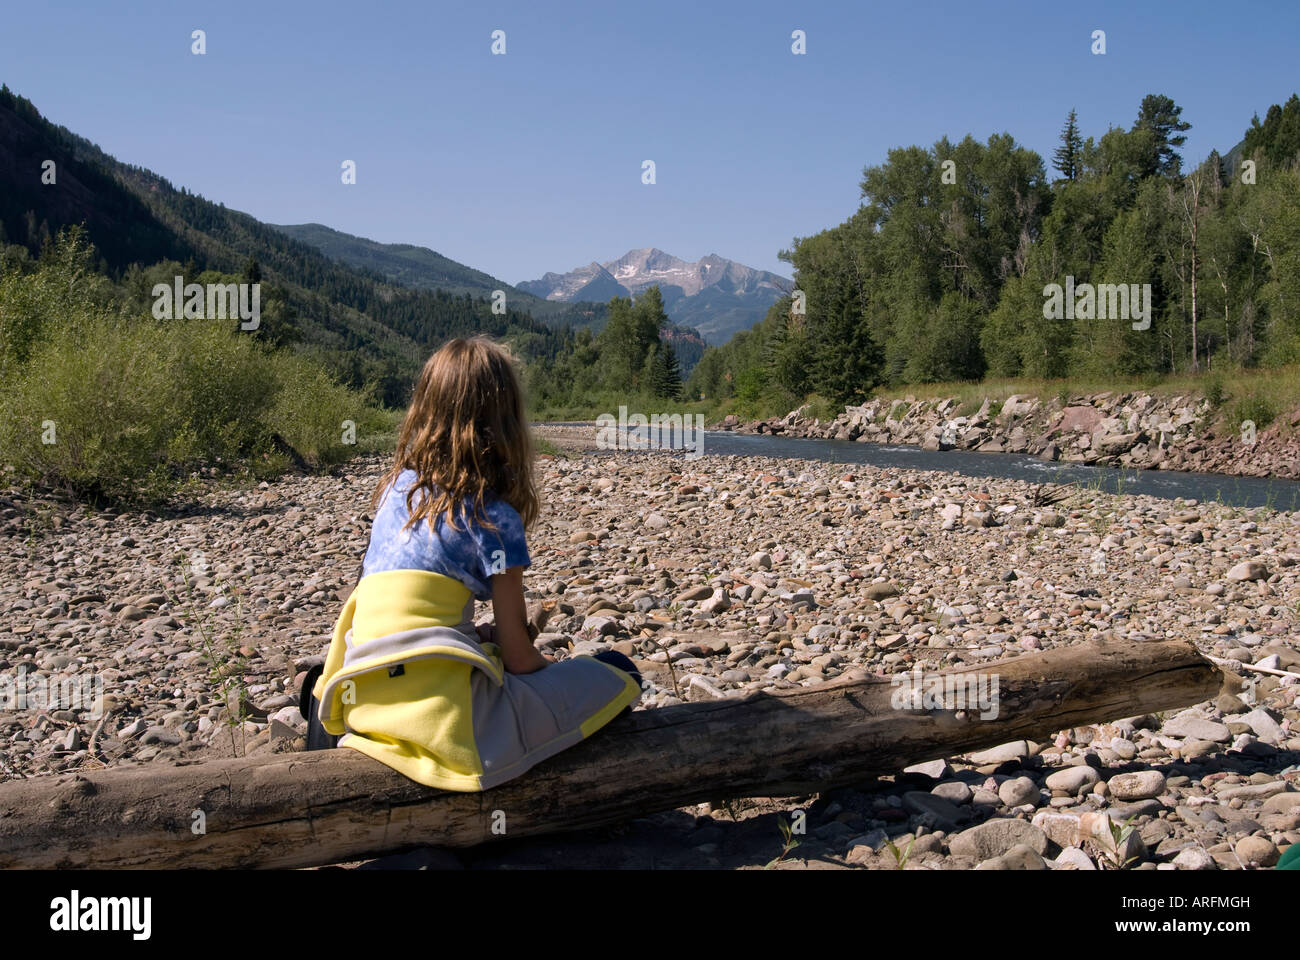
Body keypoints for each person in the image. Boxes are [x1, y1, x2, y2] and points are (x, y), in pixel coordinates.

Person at [298, 337, 642, 790]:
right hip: (446, 727)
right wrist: (548, 668)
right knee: (620, 668)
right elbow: (520, 661)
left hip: (361, 697)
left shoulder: (395, 492)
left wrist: (465, 637)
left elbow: (392, 609)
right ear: (505, 423)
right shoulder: (496, 517)